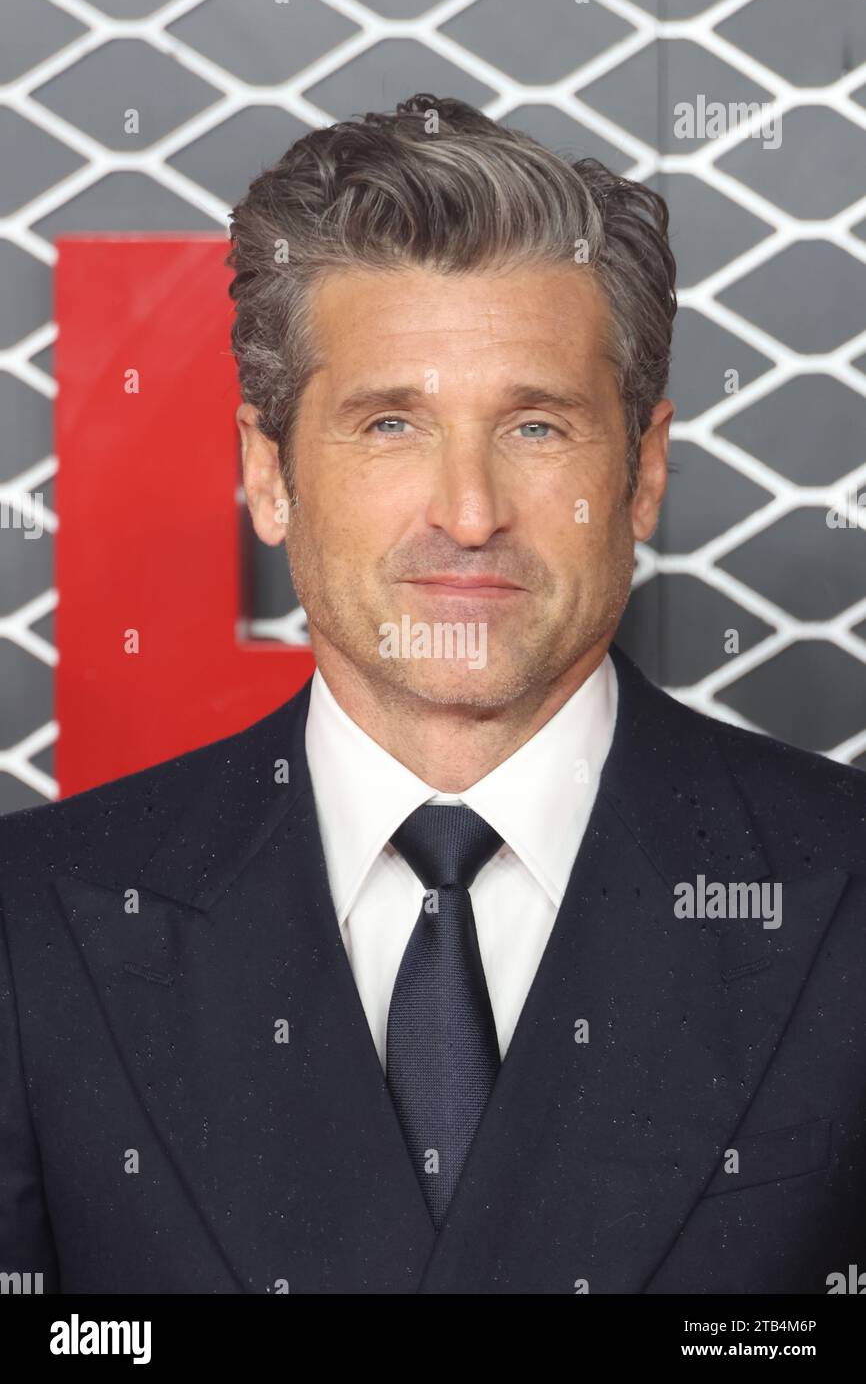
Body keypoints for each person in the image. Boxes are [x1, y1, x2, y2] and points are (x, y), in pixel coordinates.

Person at [1, 94, 865, 1296]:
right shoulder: (32, 926)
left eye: (536, 425)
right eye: (391, 422)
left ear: (643, 472)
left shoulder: (844, 892)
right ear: (269, 474)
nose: (467, 511)